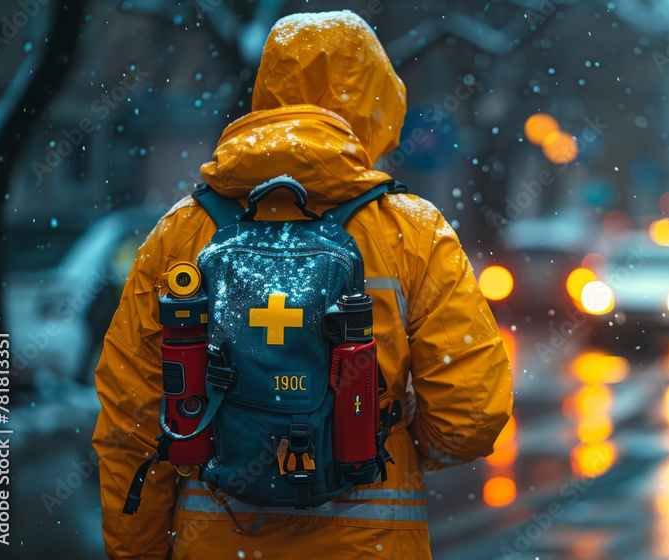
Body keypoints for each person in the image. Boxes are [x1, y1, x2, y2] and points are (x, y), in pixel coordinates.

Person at [92, 11, 513, 559]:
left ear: (267, 95)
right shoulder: (413, 231)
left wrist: (138, 552)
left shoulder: (184, 230)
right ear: (377, 101)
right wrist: (392, 438)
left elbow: (132, 419)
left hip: (218, 541)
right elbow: (471, 415)